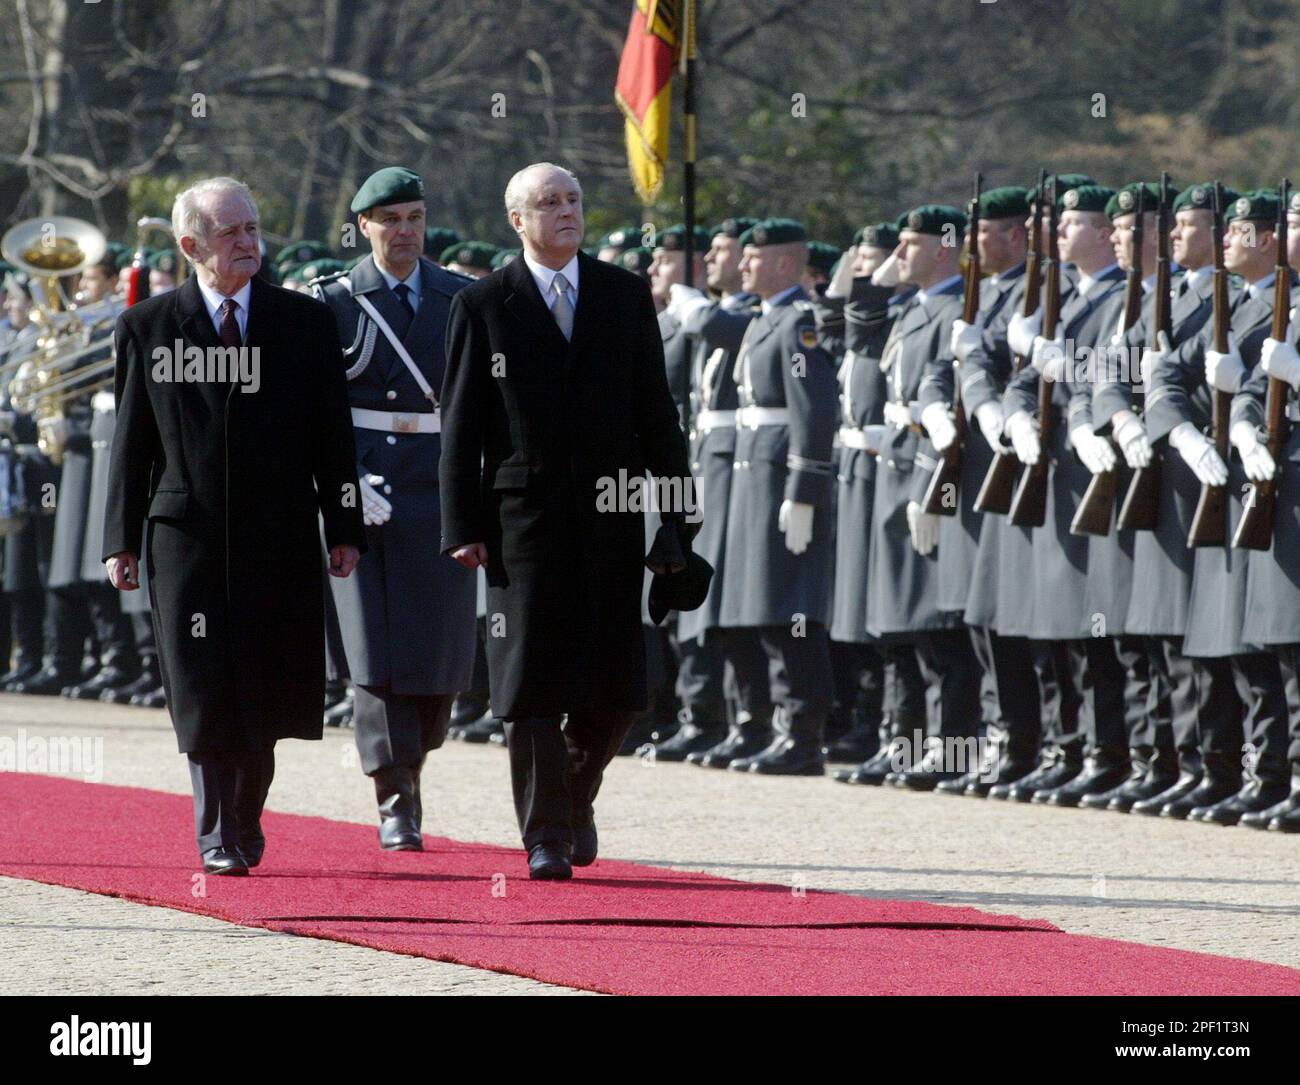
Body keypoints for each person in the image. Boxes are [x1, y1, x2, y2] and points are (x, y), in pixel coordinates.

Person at [103, 176, 365, 876]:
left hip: (278, 535)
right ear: (191, 245)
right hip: (183, 537)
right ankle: (215, 830)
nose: (249, 242)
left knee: (267, 685)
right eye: (232, 232)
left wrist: (346, 524)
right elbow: (131, 444)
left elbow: (332, 438)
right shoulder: (149, 326)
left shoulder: (303, 324)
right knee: (201, 683)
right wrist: (119, 539)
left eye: (253, 228)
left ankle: (246, 814)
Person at [439, 162, 693, 879]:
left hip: (613, 514)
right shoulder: (484, 303)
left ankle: (574, 797)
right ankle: (544, 835)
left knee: (616, 690)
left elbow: (656, 415)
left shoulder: (622, 294)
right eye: (548, 203)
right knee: (529, 687)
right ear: (517, 220)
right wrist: (462, 524)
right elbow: (461, 424)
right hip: (521, 520)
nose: (566, 212)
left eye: (573, 200)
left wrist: (677, 517)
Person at [313, 166, 478, 850]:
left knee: (438, 648)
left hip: (440, 486)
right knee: (372, 649)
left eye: (414, 216)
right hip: (366, 491)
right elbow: (313, 412)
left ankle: (414, 758)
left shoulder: (462, 297)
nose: (405, 231)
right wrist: (345, 483)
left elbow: (483, 408)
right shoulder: (333, 303)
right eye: (390, 220)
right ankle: (394, 794)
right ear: (364, 228)